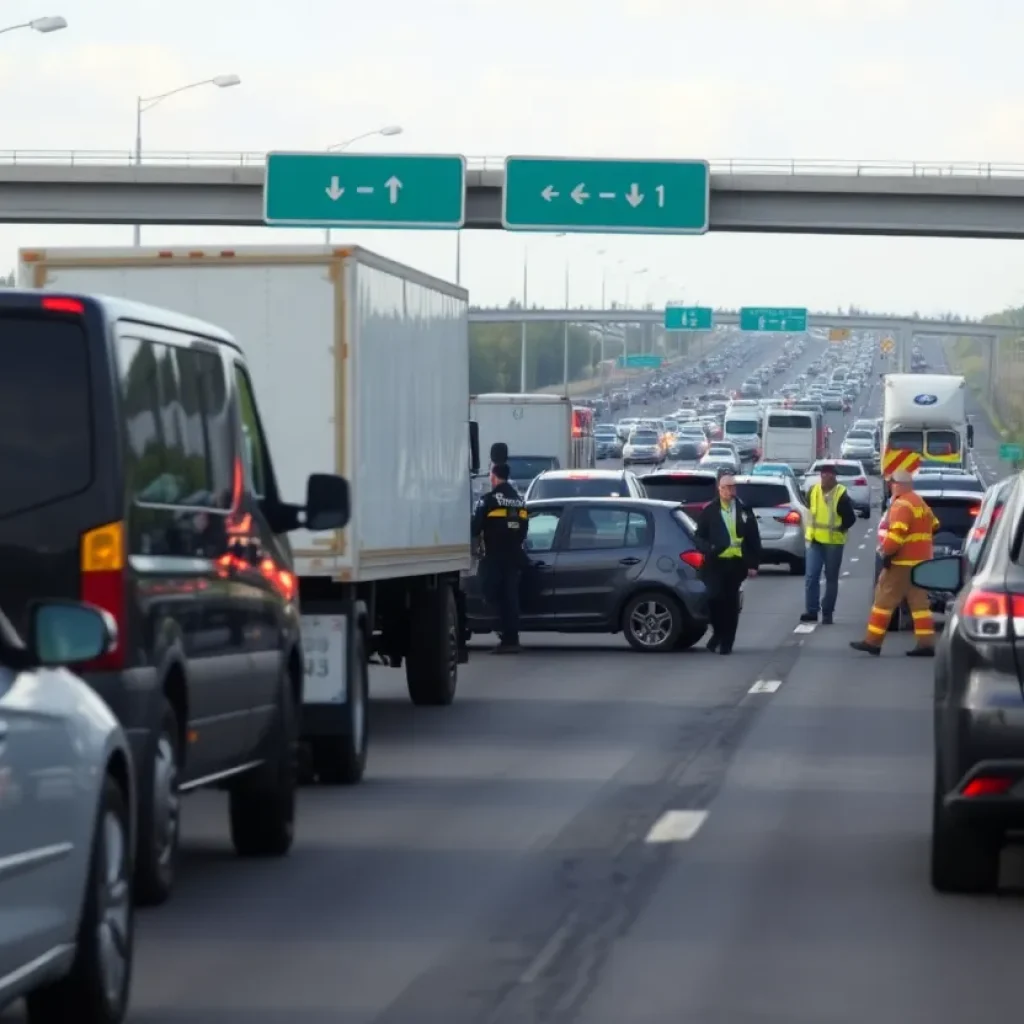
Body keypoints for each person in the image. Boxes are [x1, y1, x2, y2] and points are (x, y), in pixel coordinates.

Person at [850, 468, 940, 657]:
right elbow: (935, 526)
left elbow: (896, 535)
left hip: (902, 563)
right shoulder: (920, 502)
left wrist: (885, 554)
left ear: (899, 485)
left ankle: (872, 642)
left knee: (883, 600)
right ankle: (926, 644)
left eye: (892, 484)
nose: (890, 487)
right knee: (919, 605)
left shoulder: (902, 505)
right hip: (922, 563)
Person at [694, 468, 762, 655]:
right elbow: (698, 537)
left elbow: (753, 537)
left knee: (731, 605)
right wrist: (710, 549)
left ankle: (727, 643)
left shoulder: (743, 510)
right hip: (715, 564)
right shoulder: (709, 511)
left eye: (733, 487)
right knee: (715, 601)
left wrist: (753, 564)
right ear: (719, 488)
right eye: (727, 487)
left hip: (736, 563)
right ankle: (718, 634)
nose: (731, 491)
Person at [471, 462, 528, 654]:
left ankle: (503, 635)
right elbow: (523, 528)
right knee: (511, 598)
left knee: (489, 593)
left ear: (494, 477)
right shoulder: (518, 500)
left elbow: (475, 527)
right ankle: (511, 639)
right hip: (513, 555)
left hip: (494, 556)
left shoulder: (488, 500)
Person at [800, 463, 856, 625]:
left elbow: (850, 519)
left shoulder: (841, 495)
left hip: (833, 542)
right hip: (815, 540)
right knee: (811, 576)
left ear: (834, 477)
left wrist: (841, 527)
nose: (825, 477)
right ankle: (811, 611)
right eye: (823, 474)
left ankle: (827, 613)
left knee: (831, 578)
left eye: (829, 475)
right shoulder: (813, 491)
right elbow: (808, 508)